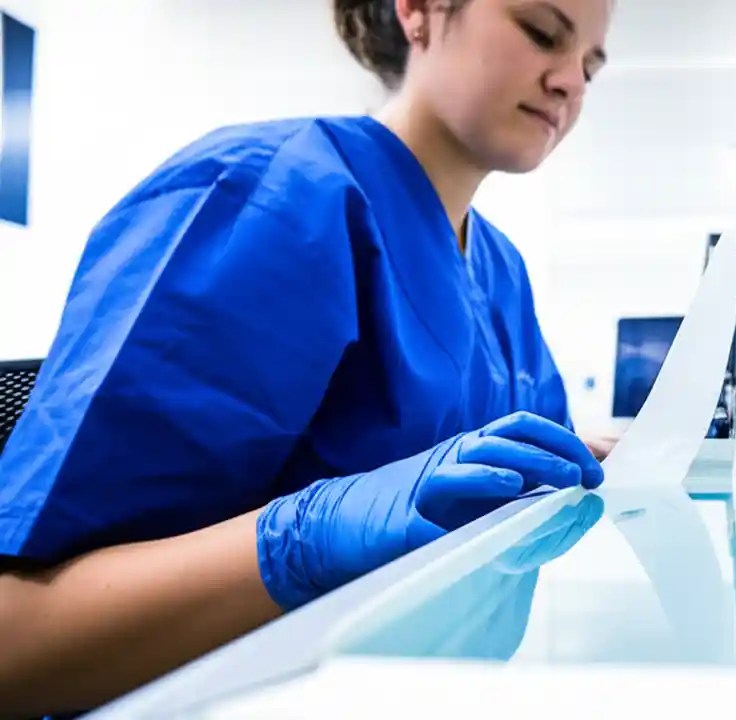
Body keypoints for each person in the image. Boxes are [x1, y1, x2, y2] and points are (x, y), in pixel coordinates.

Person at [0, 0, 614, 715]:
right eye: (542, 33)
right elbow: (18, 644)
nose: (569, 80)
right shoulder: (260, 197)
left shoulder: (502, 273)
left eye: (592, 68)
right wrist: (305, 537)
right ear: (417, 11)